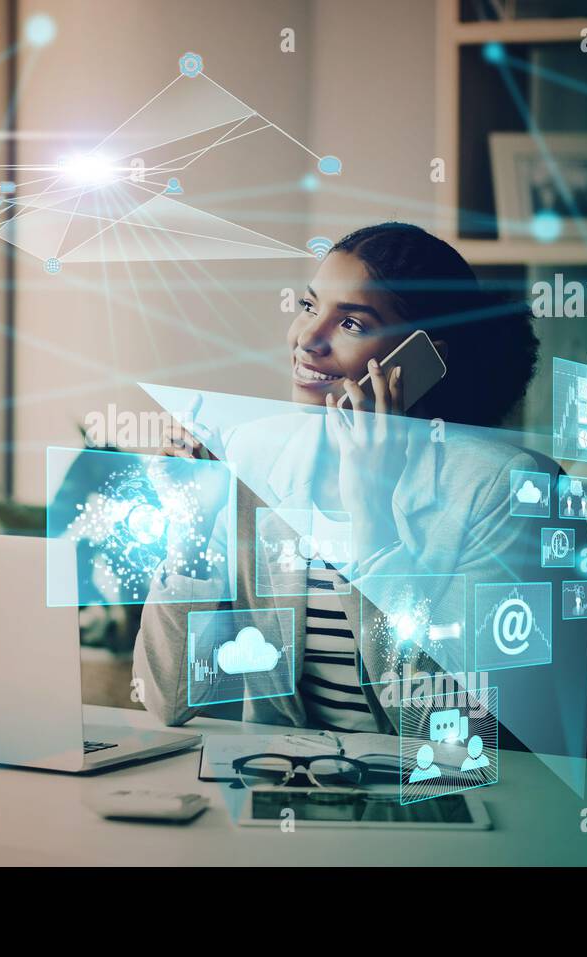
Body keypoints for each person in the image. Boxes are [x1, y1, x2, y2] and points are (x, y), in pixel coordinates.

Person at [133, 222, 544, 734]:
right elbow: (166, 699)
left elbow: (456, 733)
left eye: (351, 323)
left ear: (425, 359)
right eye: (309, 306)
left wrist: (372, 518)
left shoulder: (499, 487)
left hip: (418, 783)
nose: (307, 339)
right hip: (279, 775)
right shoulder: (251, 457)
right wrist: (190, 532)